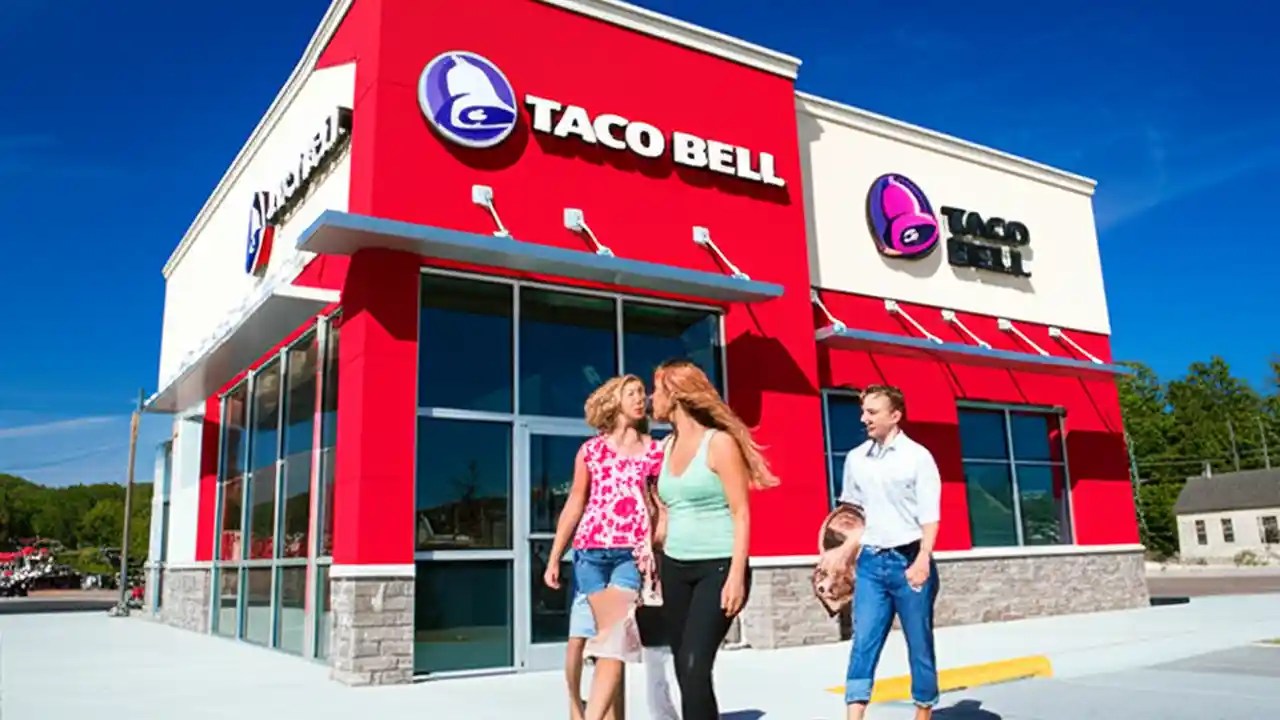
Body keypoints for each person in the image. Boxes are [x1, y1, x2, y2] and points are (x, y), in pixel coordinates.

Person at [649, 358, 779, 720]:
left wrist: (736, 575)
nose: (650, 398)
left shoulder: (718, 444)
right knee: (683, 668)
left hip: (718, 567)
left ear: (674, 394)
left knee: (694, 665)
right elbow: (668, 508)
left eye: (656, 389)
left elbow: (741, 513)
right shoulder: (664, 448)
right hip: (675, 566)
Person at [546, 374, 663, 720]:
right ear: (615, 401)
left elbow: (662, 504)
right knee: (585, 640)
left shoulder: (655, 451)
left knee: (613, 641)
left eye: (642, 393)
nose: (640, 399)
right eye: (631, 393)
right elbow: (575, 504)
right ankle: (576, 704)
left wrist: (657, 546)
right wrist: (555, 556)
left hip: (629, 555)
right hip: (589, 555)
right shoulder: (591, 451)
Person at [821, 385, 941, 720]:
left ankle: (923, 711)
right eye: (863, 411)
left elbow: (930, 516)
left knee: (919, 644)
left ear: (895, 415)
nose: (864, 418)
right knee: (863, 643)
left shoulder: (918, 457)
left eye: (872, 412)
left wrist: (922, 560)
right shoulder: (856, 458)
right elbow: (852, 516)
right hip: (871, 563)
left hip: (909, 560)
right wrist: (840, 553)